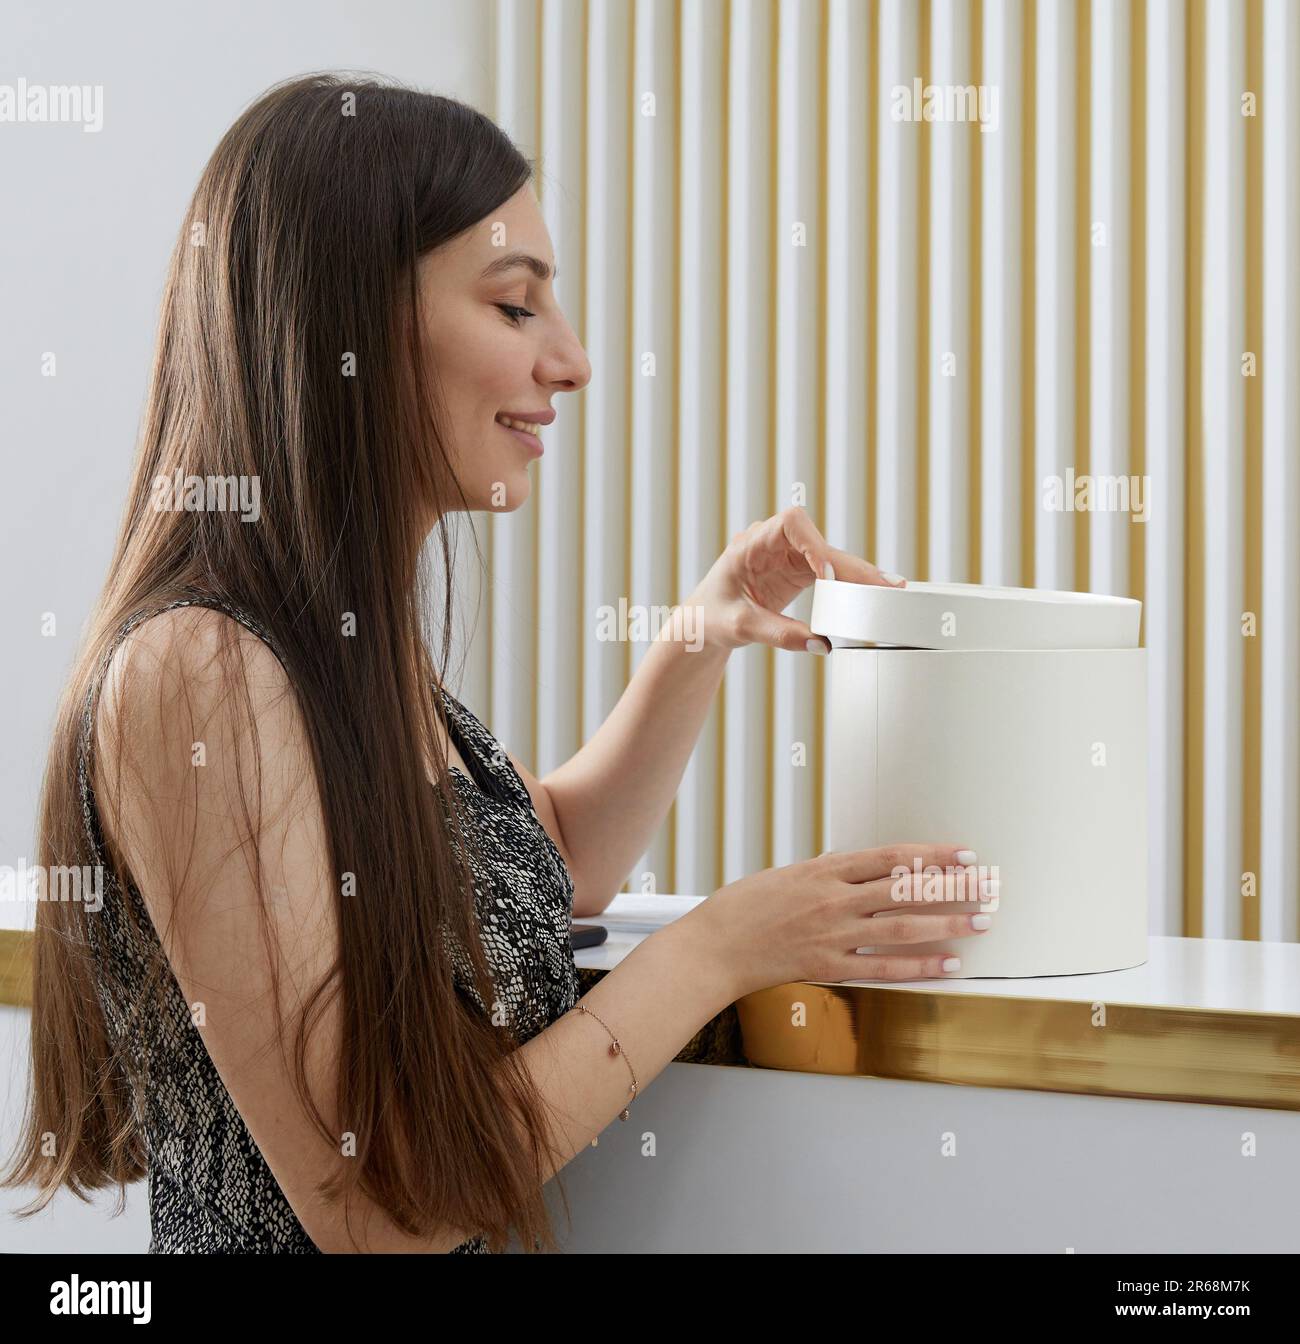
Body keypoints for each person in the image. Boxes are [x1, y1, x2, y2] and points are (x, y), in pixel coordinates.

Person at [2, 73, 991, 1254]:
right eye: (516, 307)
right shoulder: (200, 674)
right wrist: (722, 946)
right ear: (345, 328)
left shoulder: (345, 656)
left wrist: (699, 635)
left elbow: (538, 865)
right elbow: (378, 1207)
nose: (571, 362)